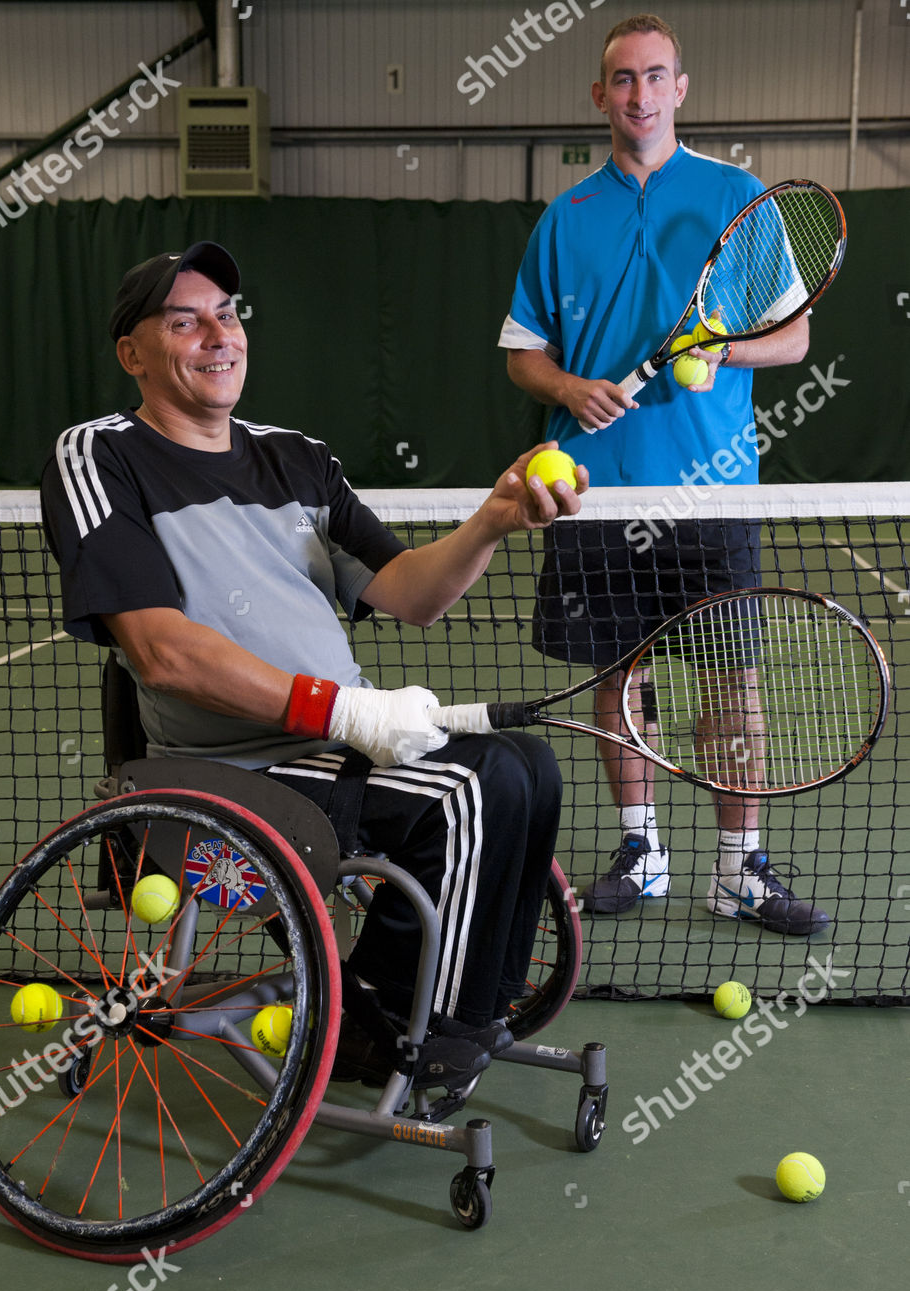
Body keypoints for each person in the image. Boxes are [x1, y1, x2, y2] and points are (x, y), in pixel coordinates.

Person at [41, 240, 586, 1092]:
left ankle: (447, 1008)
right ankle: (395, 1026)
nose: (218, 336)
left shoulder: (297, 457)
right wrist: (344, 712)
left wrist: (491, 522)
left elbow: (411, 594)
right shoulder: (102, 456)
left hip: (334, 746)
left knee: (529, 767)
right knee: (470, 787)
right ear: (132, 354)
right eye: (185, 321)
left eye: (227, 315)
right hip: (225, 772)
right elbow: (159, 650)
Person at [500, 11, 829, 937]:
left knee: (733, 682)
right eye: (622, 79)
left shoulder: (740, 198)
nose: (639, 94)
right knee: (619, 681)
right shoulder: (564, 219)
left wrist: (724, 353)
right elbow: (524, 352)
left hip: (711, 487)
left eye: (655, 76)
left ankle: (740, 872)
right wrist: (570, 386)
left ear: (680, 89)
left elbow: (796, 337)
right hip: (593, 487)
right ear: (599, 95)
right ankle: (642, 853)